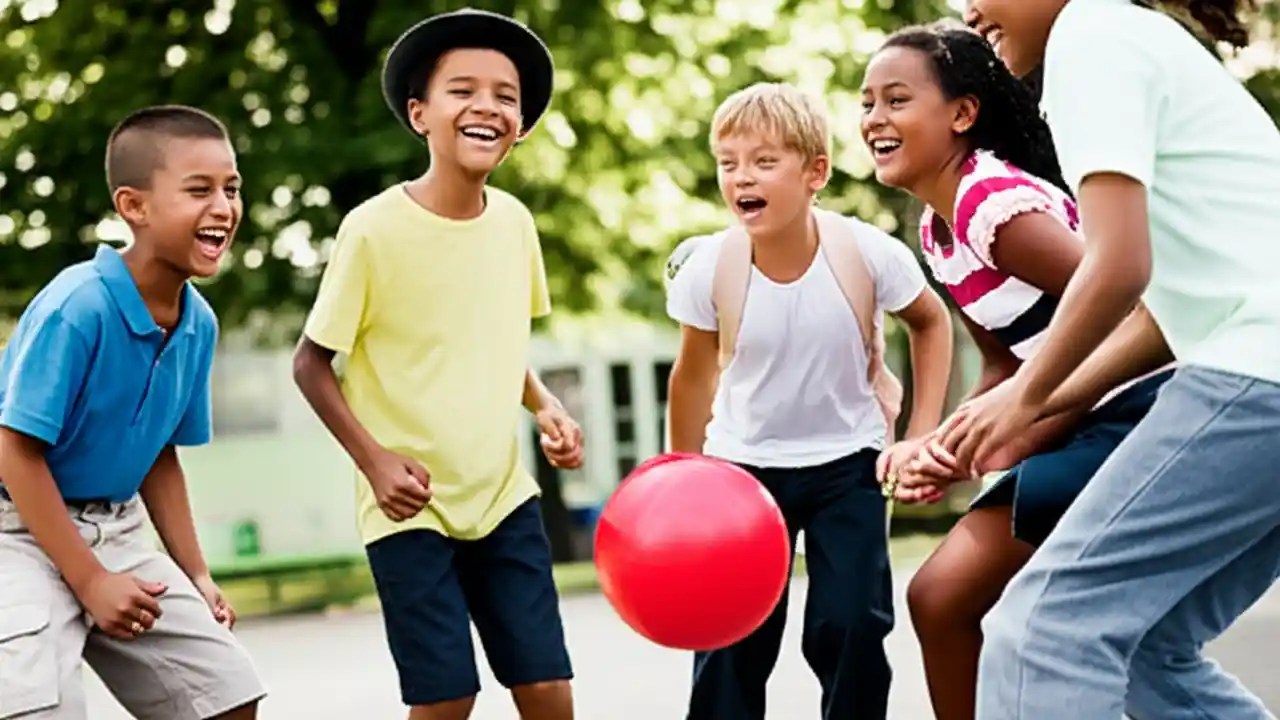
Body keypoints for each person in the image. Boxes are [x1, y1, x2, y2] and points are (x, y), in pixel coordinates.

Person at [934, 0, 1280, 717]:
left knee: (1042, 633)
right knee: (1146, 648)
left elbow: (1117, 265)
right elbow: (1163, 311)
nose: (968, 9)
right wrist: (1038, 405)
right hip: (1257, 365)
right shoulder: (1126, 36)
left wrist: (1026, 393)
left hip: (1256, 371)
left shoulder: (1090, 36)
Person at [858, 23, 1175, 720]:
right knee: (949, 601)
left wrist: (1018, 426)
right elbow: (1006, 361)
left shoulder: (992, 207)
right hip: (1074, 421)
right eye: (866, 103)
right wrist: (945, 446)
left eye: (896, 99)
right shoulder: (940, 228)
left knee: (948, 597)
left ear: (962, 114)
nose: (874, 119)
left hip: (1134, 412)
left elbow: (1140, 314)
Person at [291, 9, 583, 720]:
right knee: (448, 696)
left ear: (523, 125)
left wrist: (544, 405)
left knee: (547, 688)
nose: (487, 106)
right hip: (409, 507)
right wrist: (375, 463)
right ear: (420, 114)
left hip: (502, 496)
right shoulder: (372, 229)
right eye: (463, 90)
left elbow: (496, 343)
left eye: (506, 95)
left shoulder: (515, 224)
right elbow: (311, 364)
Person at [664, 81, 954, 720]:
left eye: (765, 161)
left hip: (847, 464)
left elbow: (931, 323)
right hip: (740, 469)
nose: (742, 176)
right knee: (732, 640)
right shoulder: (708, 268)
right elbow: (690, 378)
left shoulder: (870, 253)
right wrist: (680, 483)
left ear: (815, 171)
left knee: (851, 622)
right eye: (729, 162)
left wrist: (918, 435)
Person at [0, 105, 264, 719]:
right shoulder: (77, 306)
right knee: (38, 708)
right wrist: (90, 581)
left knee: (226, 695)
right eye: (198, 190)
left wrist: (194, 574)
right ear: (133, 206)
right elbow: (14, 449)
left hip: (117, 528)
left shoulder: (197, 322)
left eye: (231, 188)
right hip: (15, 528)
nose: (223, 206)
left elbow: (158, 453)